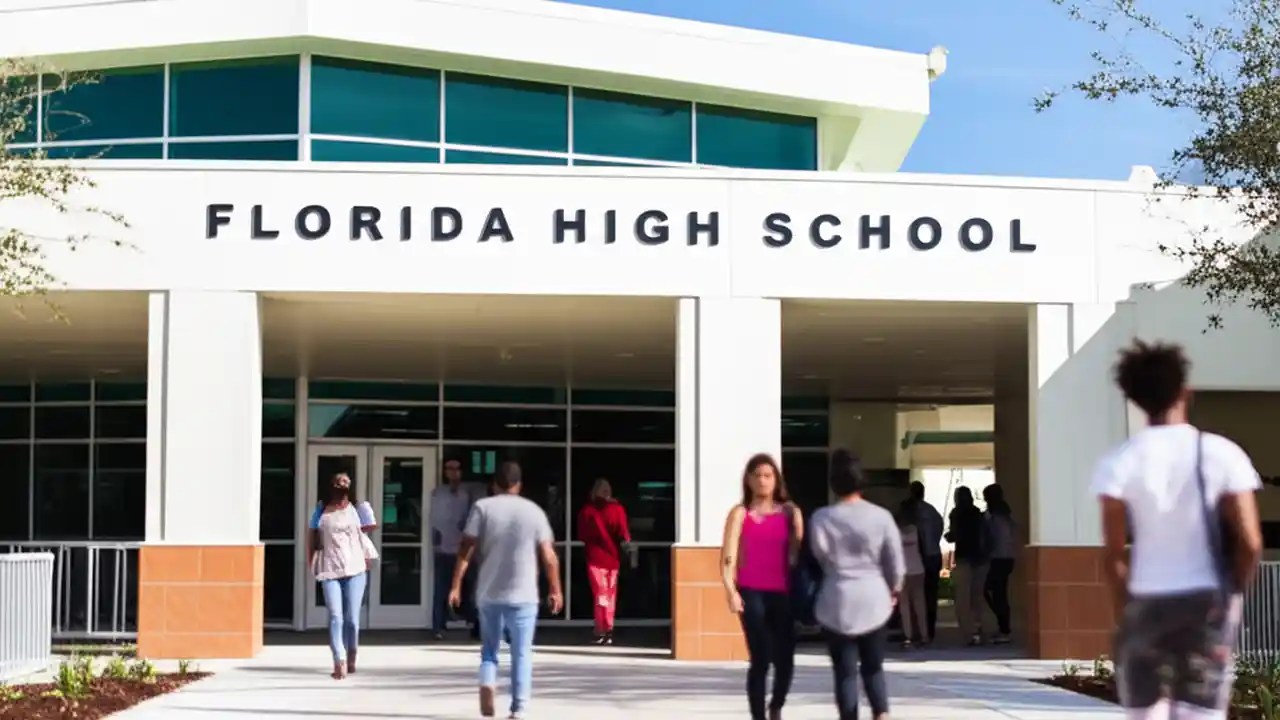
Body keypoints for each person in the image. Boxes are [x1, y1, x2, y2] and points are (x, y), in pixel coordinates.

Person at [1092, 341, 1262, 720]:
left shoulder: (1119, 462)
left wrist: (1126, 609)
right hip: (1205, 603)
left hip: (1146, 601)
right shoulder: (1222, 454)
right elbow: (1251, 542)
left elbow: (1113, 553)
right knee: (1200, 714)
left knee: (1145, 713)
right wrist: (1231, 595)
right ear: (1186, 390)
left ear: (1133, 398)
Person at [449, 460, 563, 720]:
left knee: (490, 650)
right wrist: (555, 589)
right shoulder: (534, 511)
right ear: (519, 485)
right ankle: (518, 708)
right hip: (524, 596)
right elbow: (549, 556)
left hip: (490, 594)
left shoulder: (482, 507)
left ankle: (488, 680)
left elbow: (466, 549)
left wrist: (456, 585)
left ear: (494, 484)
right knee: (521, 652)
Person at [810, 450, 903, 720]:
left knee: (845, 671)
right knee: (874, 667)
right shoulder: (881, 516)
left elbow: (820, 555)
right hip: (874, 597)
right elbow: (895, 562)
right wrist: (893, 589)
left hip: (837, 598)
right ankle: (881, 713)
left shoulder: (822, 518)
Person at [720, 453, 803, 720]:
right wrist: (731, 591)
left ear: (776, 479)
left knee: (786, 660)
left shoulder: (790, 512)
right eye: (757, 475)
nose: (762, 481)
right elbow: (727, 557)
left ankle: (777, 703)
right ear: (748, 479)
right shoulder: (740, 513)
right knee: (760, 658)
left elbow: (799, 555)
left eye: (768, 475)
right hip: (751, 591)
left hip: (783, 593)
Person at [307, 473, 372, 679]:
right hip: (329, 569)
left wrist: (368, 518)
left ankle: (352, 652)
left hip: (355, 569)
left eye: (345, 481)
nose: (341, 484)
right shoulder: (321, 508)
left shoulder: (358, 507)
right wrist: (311, 561)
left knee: (352, 619)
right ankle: (339, 660)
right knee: (336, 616)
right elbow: (312, 533)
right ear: (330, 485)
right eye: (338, 481)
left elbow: (369, 529)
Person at [577, 478, 632, 645]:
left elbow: (582, 535)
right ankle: (607, 628)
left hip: (596, 558)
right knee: (609, 594)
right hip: (612, 559)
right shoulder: (617, 510)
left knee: (601, 594)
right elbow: (623, 533)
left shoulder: (587, 512)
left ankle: (602, 629)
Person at [429, 456, 473, 640]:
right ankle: (439, 626)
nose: (453, 472)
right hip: (444, 549)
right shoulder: (437, 493)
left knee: (469, 588)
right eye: (449, 468)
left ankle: (472, 623)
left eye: (456, 468)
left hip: (464, 550)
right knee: (441, 589)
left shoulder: (467, 494)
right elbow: (434, 520)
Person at [945, 486, 989, 646]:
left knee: (963, 598)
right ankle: (980, 628)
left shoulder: (956, 514)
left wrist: (949, 536)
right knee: (977, 596)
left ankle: (968, 633)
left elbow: (954, 535)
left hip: (964, 557)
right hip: (980, 558)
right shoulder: (977, 513)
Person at [905, 481, 944, 643]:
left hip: (919, 558)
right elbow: (939, 530)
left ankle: (914, 631)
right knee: (929, 595)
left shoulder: (911, 513)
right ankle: (929, 630)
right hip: (934, 555)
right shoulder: (932, 511)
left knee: (912, 597)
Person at [982, 484, 1016, 645]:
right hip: (1007, 557)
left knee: (994, 592)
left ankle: (1004, 628)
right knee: (997, 592)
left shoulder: (994, 516)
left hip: (999, 558)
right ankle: (1003, 626)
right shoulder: (1005, 513)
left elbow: (991, 538)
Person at [896, 508, 928, 649]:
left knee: (904, 605)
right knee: (919, 604)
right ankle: (924, 635)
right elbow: (923, 548)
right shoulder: (917, 531)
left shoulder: (894, 533)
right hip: (918, 569)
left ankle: (908, 636)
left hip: (902, 572)